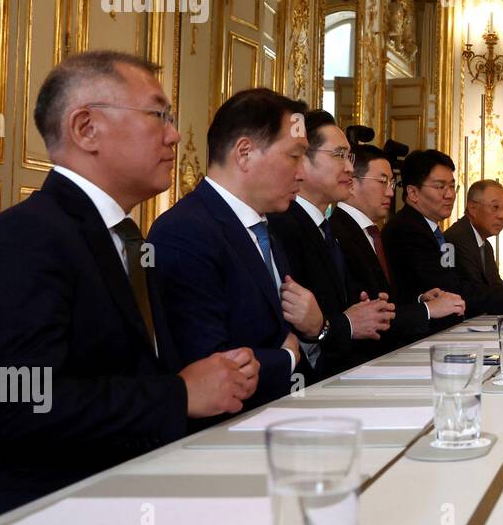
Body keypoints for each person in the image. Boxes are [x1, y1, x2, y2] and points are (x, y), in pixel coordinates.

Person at [0, 52, 257, 525]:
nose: (175, 135)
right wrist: (178, 394)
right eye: (159, 115)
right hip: (39, 521)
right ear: (86, 128)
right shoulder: (25, 239)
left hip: (128, 496)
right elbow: (15, 404)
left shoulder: (125, 238)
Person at [149, 87, 323, 407]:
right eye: (295, 156)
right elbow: (210, 364)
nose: (302, 173)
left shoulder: (268, 227)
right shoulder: (185, 231)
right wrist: (286, 357)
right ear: (244, 153)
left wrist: (313, 333)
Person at [265, 111, 397, 380]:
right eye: (339, 155)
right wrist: (347, 323)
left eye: (350, 157)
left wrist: (368, 309)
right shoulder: (283, 225)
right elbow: (299, 322)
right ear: (302, 159)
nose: (349, 167)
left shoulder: (325, 227)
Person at [330, 142, 464, 348]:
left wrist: (420, 299)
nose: (390, 193)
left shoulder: (370, 232)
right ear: (352, 183)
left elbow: (389, 298)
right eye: (383, 182)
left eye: (392, 184)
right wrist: (428, 310)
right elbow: (367, 309)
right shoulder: (337, 230)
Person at [382, 149, 503, 322]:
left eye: (452, 186)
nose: (450, 195)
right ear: (413, 193)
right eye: (440, 187)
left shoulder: (430, 230)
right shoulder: (406, 230)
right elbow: (452, 289)